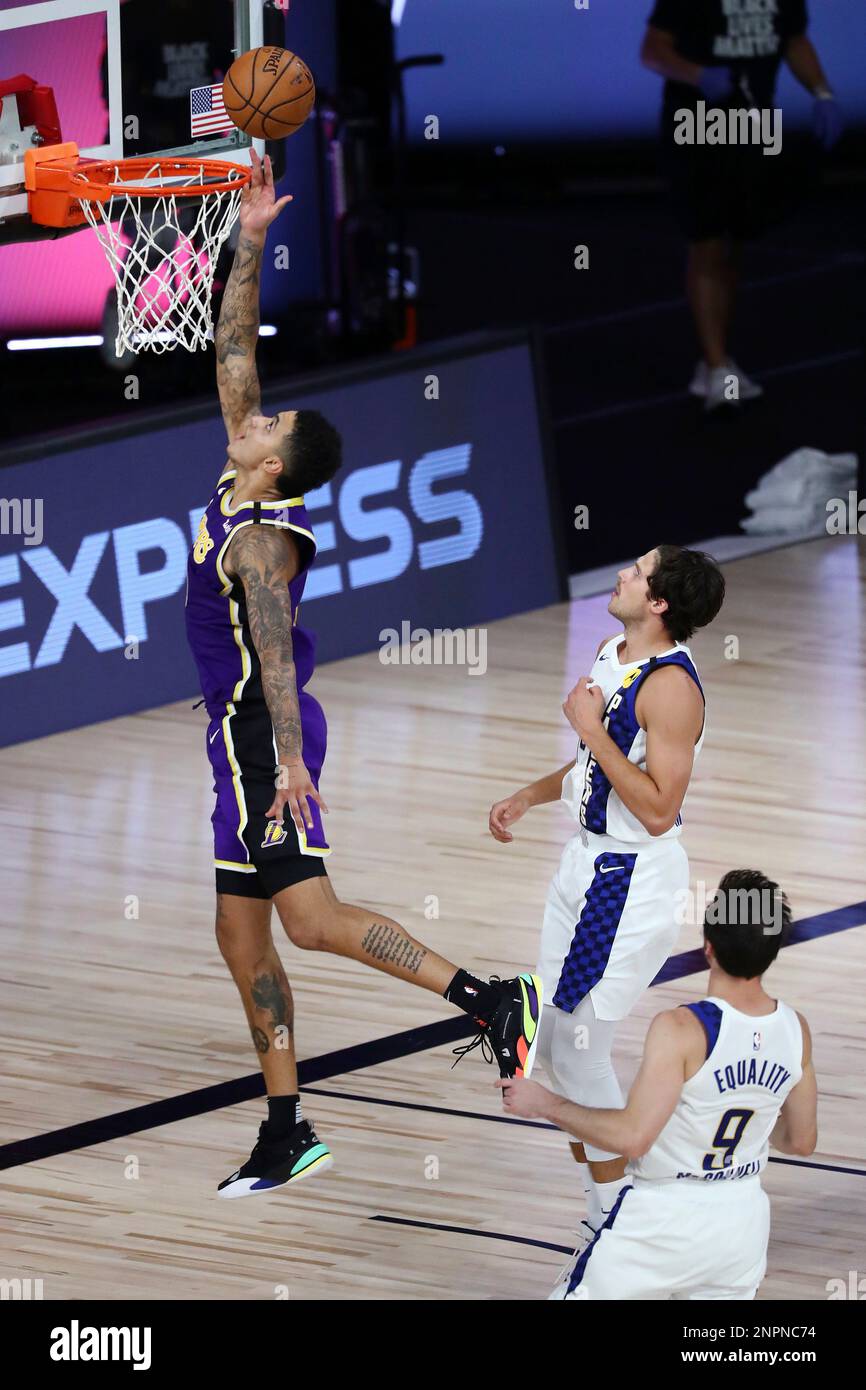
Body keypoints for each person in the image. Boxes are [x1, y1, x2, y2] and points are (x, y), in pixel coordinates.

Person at [185, 150, 541, 1197]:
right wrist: (249, 237)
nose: (257, 411)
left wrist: (288, 763)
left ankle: (489, 1000)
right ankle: (287, 1125)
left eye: (272, 423)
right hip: (240, 740)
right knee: (238, 931)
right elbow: (231, 349)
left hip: (264, 738)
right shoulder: (241, 474)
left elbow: (272, 656)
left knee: (309, 918)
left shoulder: (259, 537)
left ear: (275, 464)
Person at [489, 545, 724, 1242]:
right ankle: (607, 1210)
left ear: (658, 604)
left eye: (638, 572)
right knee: (560, 1047)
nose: (622, 572)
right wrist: (531, 796)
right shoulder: (608, 648)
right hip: (583, 867)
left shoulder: (672, 689)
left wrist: (591, 728)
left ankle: (618, 1217)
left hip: (631, 879)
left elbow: (657, 809)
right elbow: (597, 759)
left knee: (581, 1044)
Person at [500, 870, 817, 1301]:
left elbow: (632, 1138)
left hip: (663, 1220)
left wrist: (547, 1104)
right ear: (772, 951)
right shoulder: (795, 1030)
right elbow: (800, 1141)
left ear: (708, 947)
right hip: (741, 1226)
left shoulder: (682, 1028)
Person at [640, 1, 843, 410]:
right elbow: (653, 50)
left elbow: (793, 40)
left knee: (732, 243)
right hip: (695, 124)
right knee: (709, 241)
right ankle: (719, 371)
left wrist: (821, 91)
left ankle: (714, 361)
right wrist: (698, 75)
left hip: (753, 124)